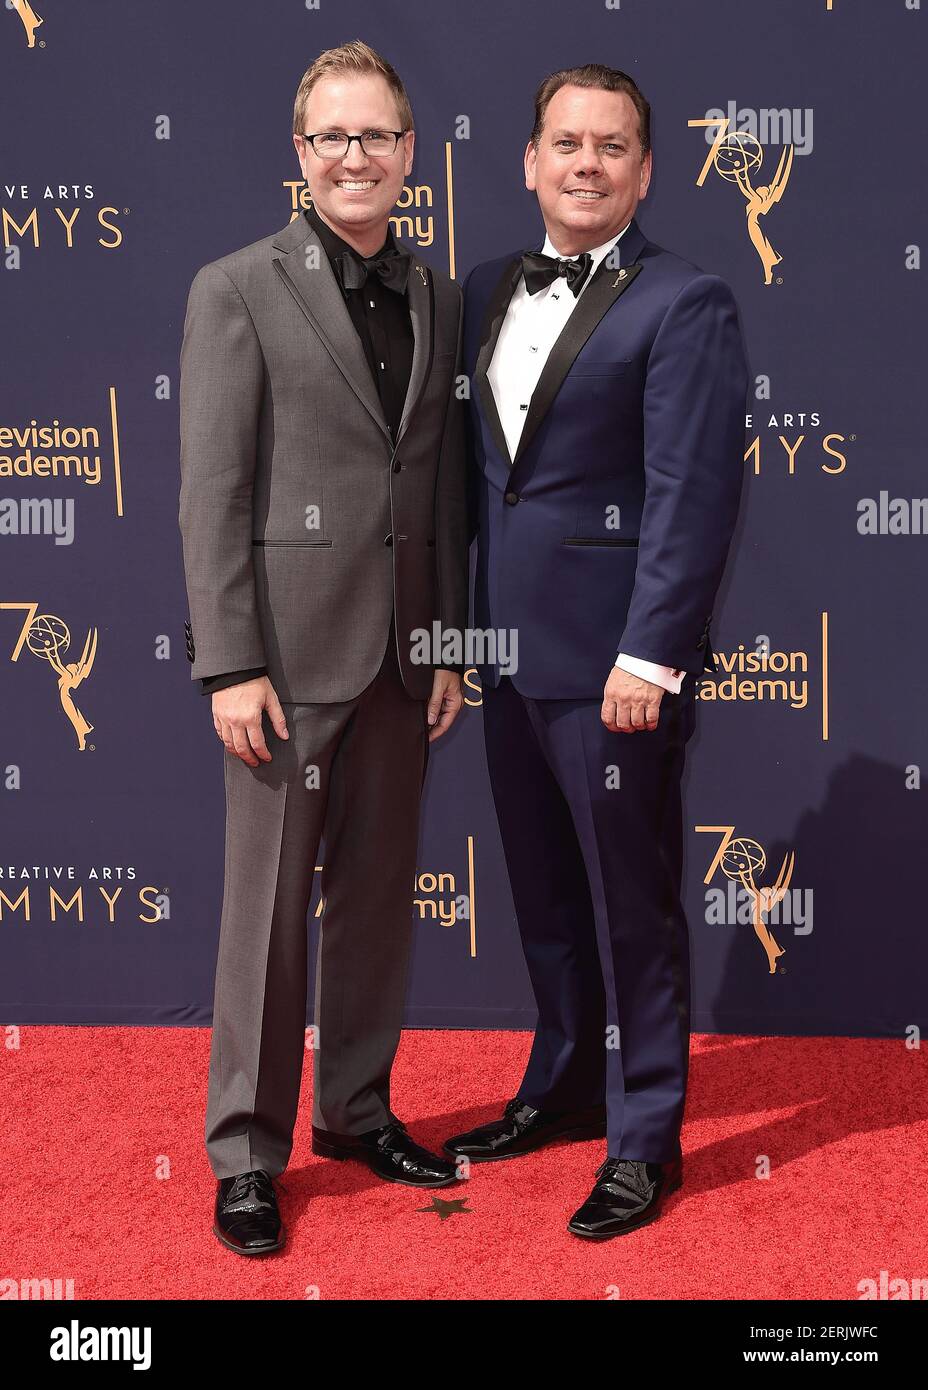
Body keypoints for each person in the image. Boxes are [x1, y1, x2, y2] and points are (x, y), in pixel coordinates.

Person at [445, 64, 749, 1239]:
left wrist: (651, 657)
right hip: (507, 660)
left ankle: (645, 1134)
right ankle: (563, 1088)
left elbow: (692, 495)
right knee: (545, 901)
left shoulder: (687, 300)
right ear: (527, 162)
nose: (585, 162)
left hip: (616, 671)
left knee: (631, 908)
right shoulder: (479, 290)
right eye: (565, 142)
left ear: (644, 171)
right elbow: (477, 488)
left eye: (610, 146)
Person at [178, 40, 469, 1256]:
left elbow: (440, 482)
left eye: (378, 136)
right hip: (285, 668)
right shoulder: (236, 287)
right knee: (264, 921)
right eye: (332, 137)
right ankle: (248, 1153)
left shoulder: (437, 290)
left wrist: (448, 637)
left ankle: (355, 1114)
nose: (357, 156)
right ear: (300, 157)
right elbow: (211, 486)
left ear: (410, 153)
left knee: (375, 907)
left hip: (405, 657)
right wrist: (228, 660)